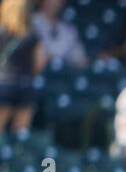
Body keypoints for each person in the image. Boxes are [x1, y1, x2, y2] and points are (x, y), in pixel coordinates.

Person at [0, 0, 46, 135]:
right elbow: (40, 63)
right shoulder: (32, 35)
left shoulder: (2, 32)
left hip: (4, 84)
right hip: (26, 84)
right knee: (21, 134)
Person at [32, 0, 86, 71]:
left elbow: (80, 60)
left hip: (63, 77)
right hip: (33, 76)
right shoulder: (30, 22)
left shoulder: (69, 30)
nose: (52, 2)